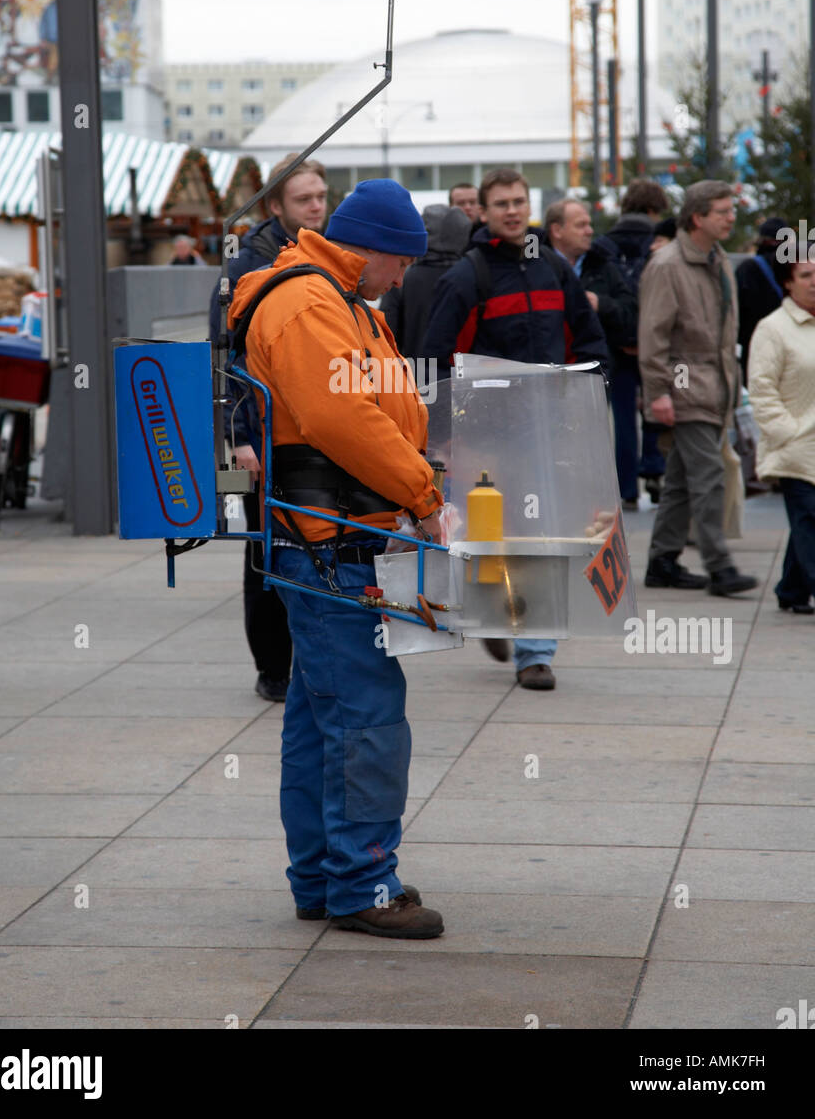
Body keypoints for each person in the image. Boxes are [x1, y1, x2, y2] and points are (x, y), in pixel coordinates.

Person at [227, 179, 445, 939]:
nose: (405, 278)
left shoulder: (343, 300)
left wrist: (422, 470)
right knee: (365, 716)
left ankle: (325, 877)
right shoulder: (309, 302)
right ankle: (362, 884)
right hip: (326, 540)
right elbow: (336, 415)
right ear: (378, 249)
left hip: (331, 536)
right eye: (403, 262)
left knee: (322, 720)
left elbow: (386, 406)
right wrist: (423, 491)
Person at [423, 168, 609, 690]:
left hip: (545, 435)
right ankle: (495, 616)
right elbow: (436, 361)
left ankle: (535, 652)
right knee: (488, 538)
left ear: (529, 207)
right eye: (500, 202)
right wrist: (444, 434)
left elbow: (589, 343)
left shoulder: (553, 269)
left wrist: (587, 395)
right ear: (482, 212)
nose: (510, 210)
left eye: (518, 201)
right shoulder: (467, 277)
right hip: (483, 440)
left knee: (540, 537)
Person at [210, 155, 328, 703]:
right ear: (275, 205)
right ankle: (273, 668)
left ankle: (312, 659)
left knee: (315, 544)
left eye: (322, 196)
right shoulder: (245, 266)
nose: (317, 207)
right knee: (263, 550)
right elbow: (224, 360)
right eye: (305, 199)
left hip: (314, 432)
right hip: (260, 434)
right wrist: (238, 439)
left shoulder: (325, 257)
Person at [639, 181, 757, 597]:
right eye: (722, 211)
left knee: (682, 481)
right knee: (709, 475)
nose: (731, 217)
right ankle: (719, 565)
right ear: (697, 217)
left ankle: (662, 560)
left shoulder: (717, 259)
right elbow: (653, 336)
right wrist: (660, 391)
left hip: (715, 386)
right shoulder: (669, 265)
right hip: (687, 387)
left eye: (731, 209)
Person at [544, 198, 638, 504]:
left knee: (590, 451)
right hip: (546, 377)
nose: (590, 231)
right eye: (580, 225)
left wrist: (601, 304)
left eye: (589, 224)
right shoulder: (535, 264)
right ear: (557, 230)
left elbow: (631, 312)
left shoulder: (603, 266)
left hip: (593, 376)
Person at [747, 240, 815, 614]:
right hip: (795, 447)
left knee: (806, 523)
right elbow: (761, 389)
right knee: (809, 519)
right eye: (806, 275)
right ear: (788, 282)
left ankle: (791, 589)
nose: (814, 281)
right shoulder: (773, 329)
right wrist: (786, 433)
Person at [603, 179, 670, 507]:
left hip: (616, 343)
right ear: (652, 209)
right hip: (654, 341)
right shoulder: (662, 243)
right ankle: (655, 470)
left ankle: (627, 489)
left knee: (624, 417)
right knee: (658, 408)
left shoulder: (605, 244)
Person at [380, 203, 470, 358]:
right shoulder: (470, 276)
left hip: (417, 373)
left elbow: (387, 331)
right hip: (463, 373)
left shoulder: (401, 277)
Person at [735, 216, 790, 386]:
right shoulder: (798, 267)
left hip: (754, 351)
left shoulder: (747, 269)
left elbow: (735, 313)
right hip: (792, 350)